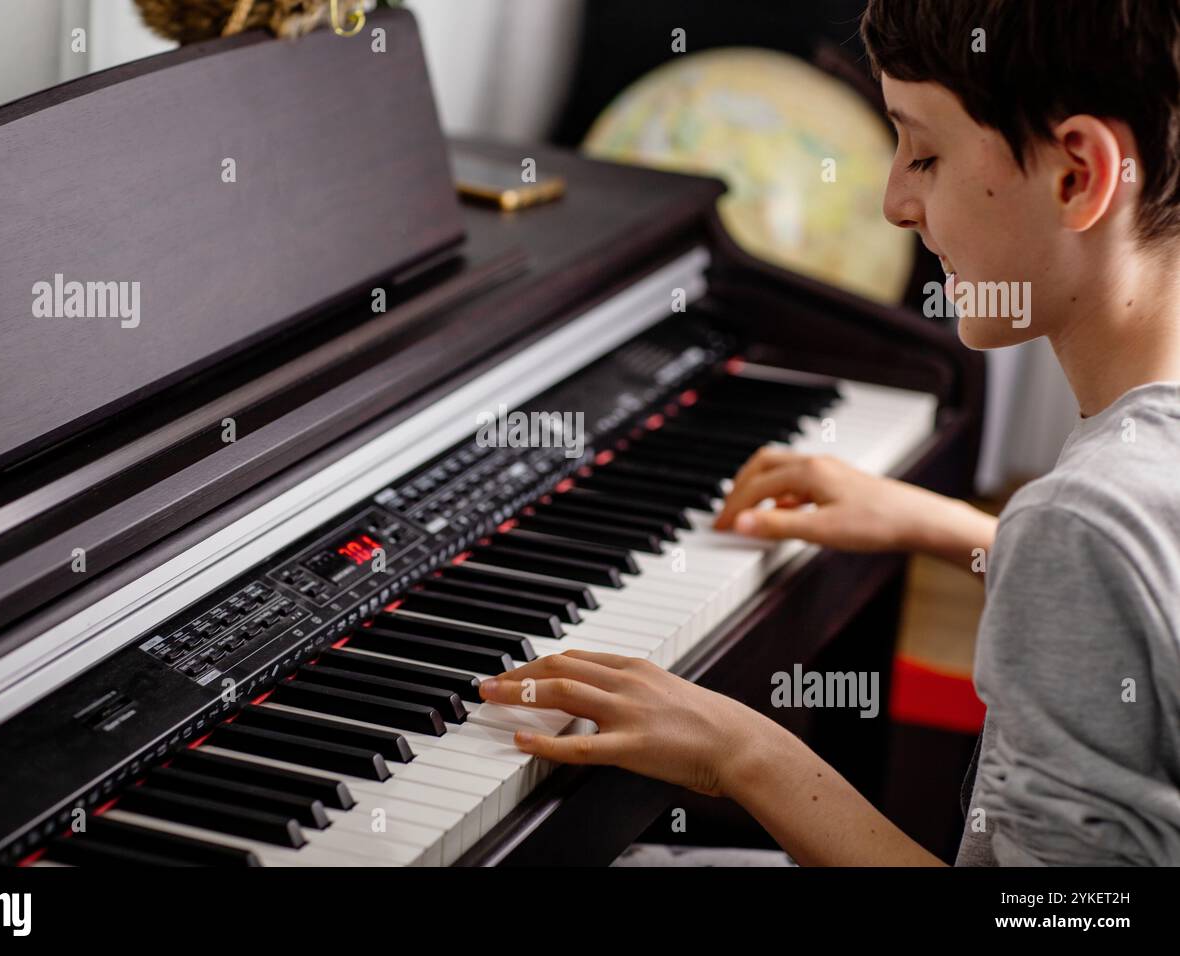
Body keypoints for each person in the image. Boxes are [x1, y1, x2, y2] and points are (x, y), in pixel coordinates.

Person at [478, 0, 1180, 865]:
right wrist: (950, 527)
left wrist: (744, 753)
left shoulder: (1082, 523)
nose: (894, 203)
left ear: (1078, 174)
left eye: (925, 152)